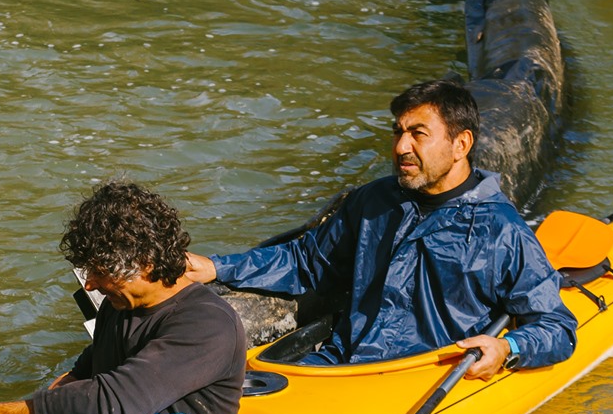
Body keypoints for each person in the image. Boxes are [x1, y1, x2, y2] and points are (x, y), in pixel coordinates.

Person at [182, 79, 575, 378]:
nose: (401, 146)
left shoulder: (501, 230)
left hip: (419, 378)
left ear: (461, 144)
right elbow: (305, 261)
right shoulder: (375, 202)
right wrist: (218, 267)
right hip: (337, 363)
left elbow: (557, 326)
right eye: (398, 132)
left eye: (418, 134)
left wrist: (508, 348)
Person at [0, 181, 246, 414]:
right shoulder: (120, 305)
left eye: (100, 271)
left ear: (146, 262)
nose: (90, 285)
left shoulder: (208, 324)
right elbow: (85, 374)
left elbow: (114, 404)